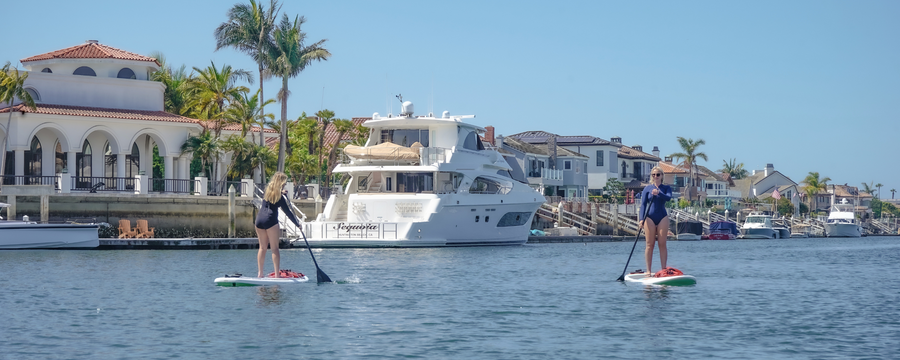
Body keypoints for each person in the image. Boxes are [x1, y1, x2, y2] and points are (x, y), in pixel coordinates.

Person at [254, 172, 300, 278]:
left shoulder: (266, 191)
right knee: (274, 249)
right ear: (281, 183)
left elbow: (274, 191)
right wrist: (297, 224)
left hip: (259, 220)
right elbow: (288, 212)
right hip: (270, 220)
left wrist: (281, 192)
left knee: (262, 248)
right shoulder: (280, 198)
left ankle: (260, 274)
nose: (284, 185)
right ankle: (277, 276)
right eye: (284, 184)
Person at [639, 166, 673, 277]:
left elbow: (668, 198)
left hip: (662, 217)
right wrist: (641, 219)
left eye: (658, 174)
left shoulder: (666, 188)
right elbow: (643, 205)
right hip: (649, 218)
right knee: (649, 244)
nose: (655, 176)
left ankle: (663, 269)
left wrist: (658, 193)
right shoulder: (647, 189)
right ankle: (648, 271)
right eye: (653, 175)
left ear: (662, 176)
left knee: (662, 244)